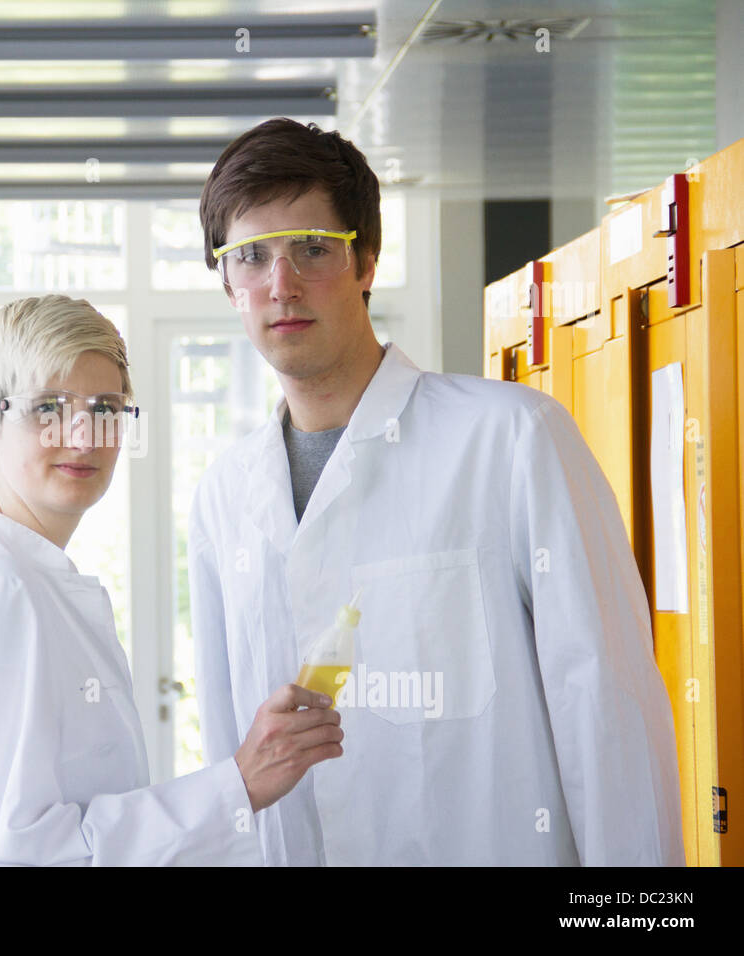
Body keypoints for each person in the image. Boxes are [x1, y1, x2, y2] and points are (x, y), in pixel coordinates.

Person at [188, 117, 685, 865]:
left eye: (313, 249)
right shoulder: (224, 496)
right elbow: (233, 745)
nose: (281, 284)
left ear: (367, 263)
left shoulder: (513, 439)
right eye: (251, 256)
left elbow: (605, 709)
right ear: (228, 282)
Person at [0, 294, 345, 866]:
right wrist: (238, 785)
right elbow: (22, 856)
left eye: (105, 407)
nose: (84, 432)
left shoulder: (29, 579)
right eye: (47, 406)